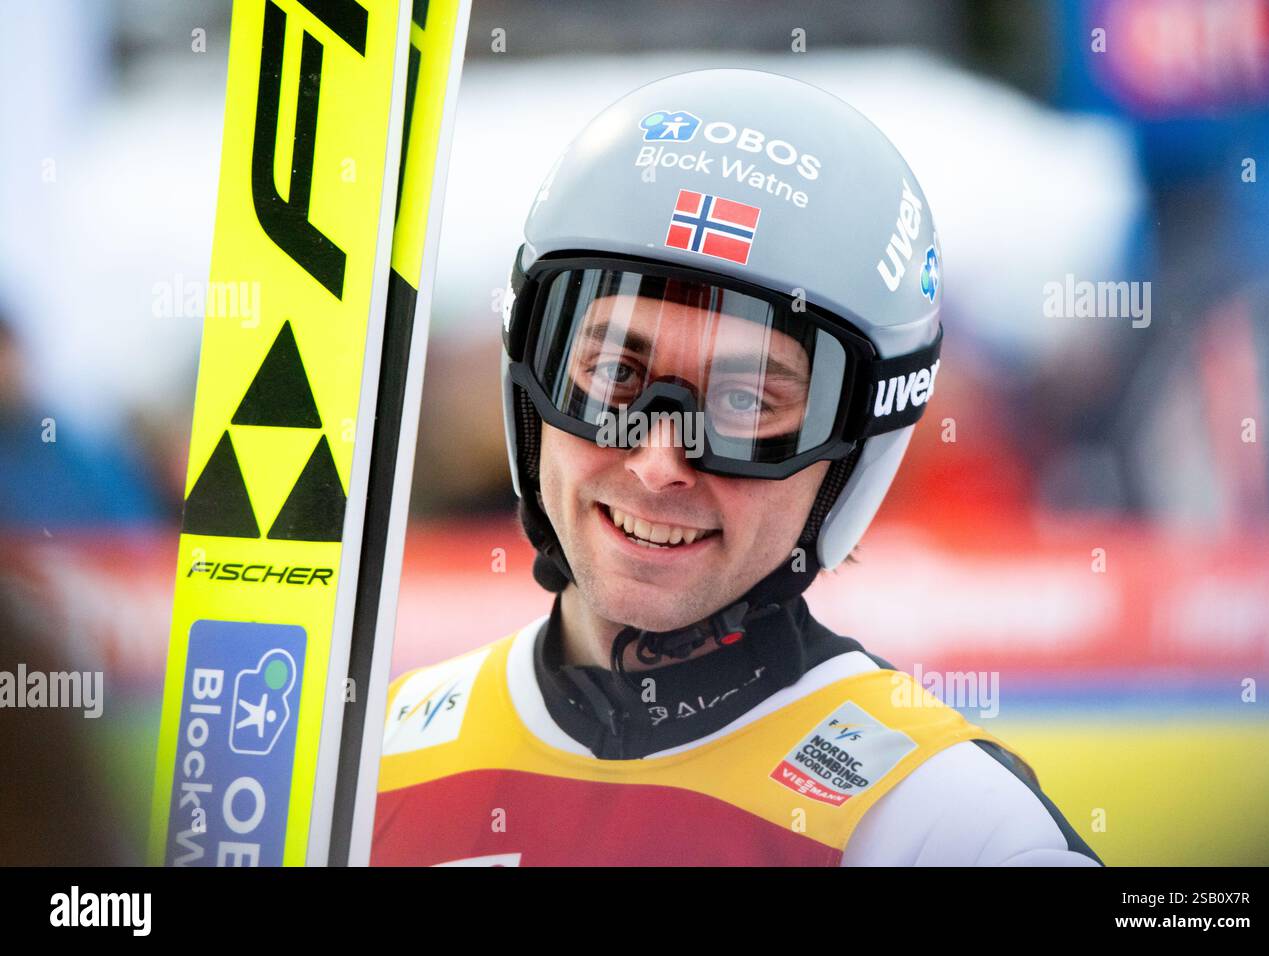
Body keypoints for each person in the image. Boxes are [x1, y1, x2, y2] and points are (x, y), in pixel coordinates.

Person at [370, 68, 1101, 866]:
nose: (658, 463)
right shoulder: (371, 760)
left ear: (852, 449)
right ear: (531, 379)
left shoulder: (944, 828)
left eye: (747, 405)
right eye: (614, 373)